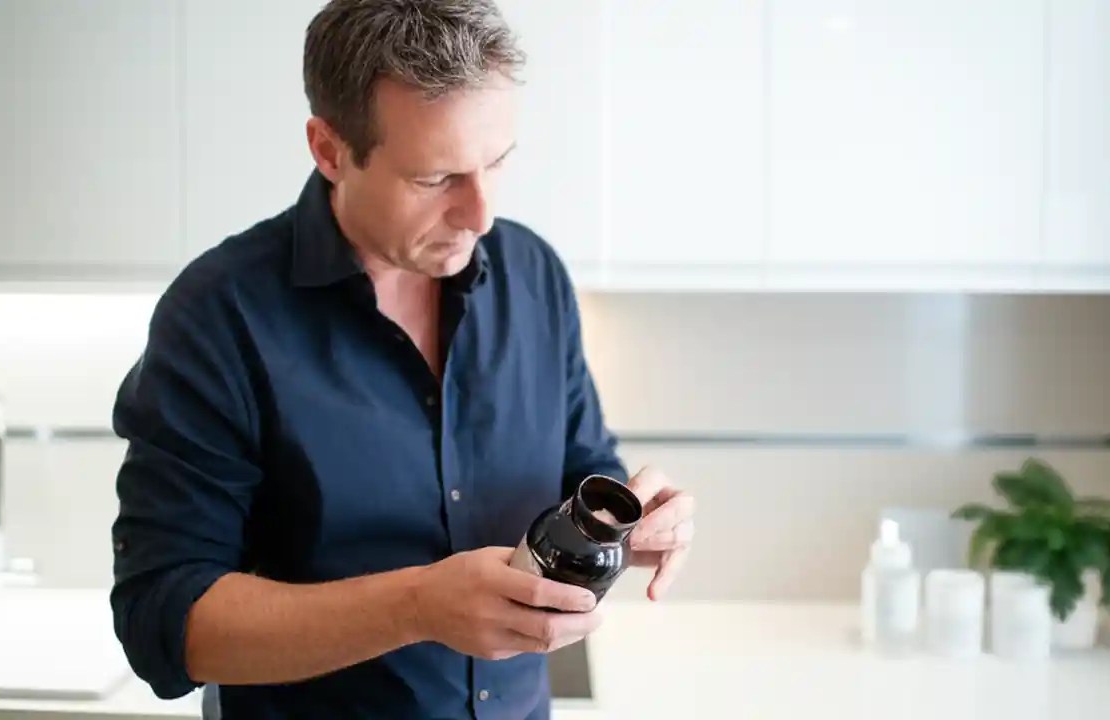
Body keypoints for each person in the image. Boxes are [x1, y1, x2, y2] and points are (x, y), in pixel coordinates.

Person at [108, 0, 696, 717]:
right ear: (329, 150)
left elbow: (581, 469)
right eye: (435, 179)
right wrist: (415, 606)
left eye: (497, 162)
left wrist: (629, 517)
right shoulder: (218, 315)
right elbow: (163, 622)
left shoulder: (533, 273)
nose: (480, 215)